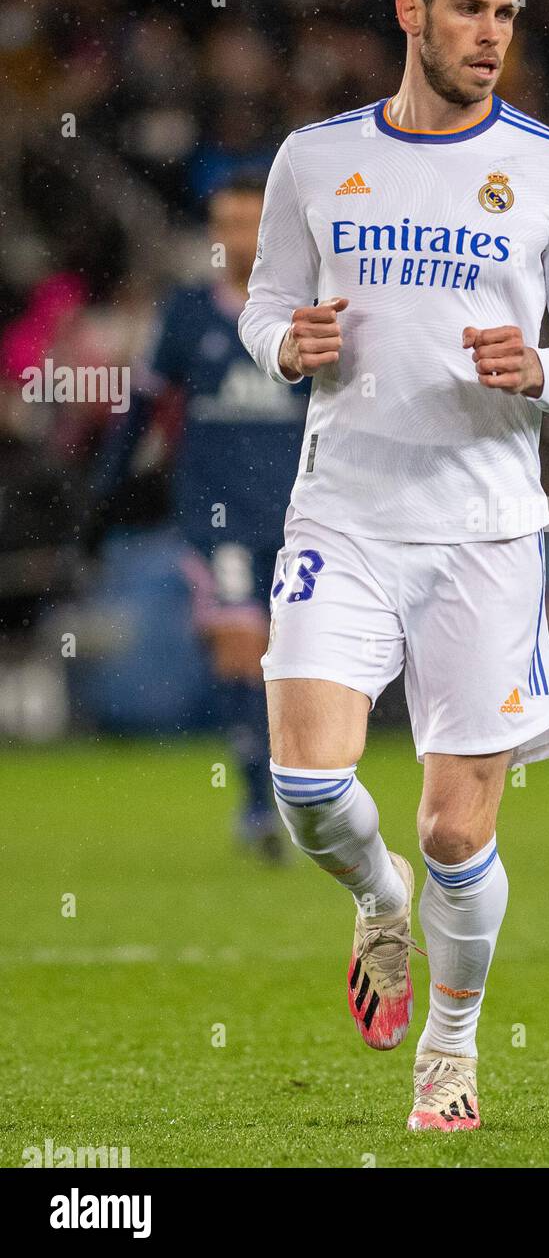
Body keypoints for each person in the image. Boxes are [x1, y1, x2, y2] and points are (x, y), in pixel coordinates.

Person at [239, 0, 549, 1130]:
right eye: (468, 7)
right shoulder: (313, 157)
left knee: (458, 831)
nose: (490, 33)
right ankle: (372, 898)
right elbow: (263, 309)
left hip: (484, 533)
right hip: (341, 514)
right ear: (409, 11)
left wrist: (542, 371)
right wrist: (282, 346)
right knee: (307, 786)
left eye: (506, 13)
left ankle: (448, 1055)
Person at [92, 175, 309, 860]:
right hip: (219, 519)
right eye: (226, 224)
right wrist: (102, 497)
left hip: (308, 518)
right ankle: (256, 807)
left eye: (251, 223)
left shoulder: (310, 315)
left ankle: (302, 794)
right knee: (240, 647)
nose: (237, 238)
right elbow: (138, 413)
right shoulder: (186, 315)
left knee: (296, 666)